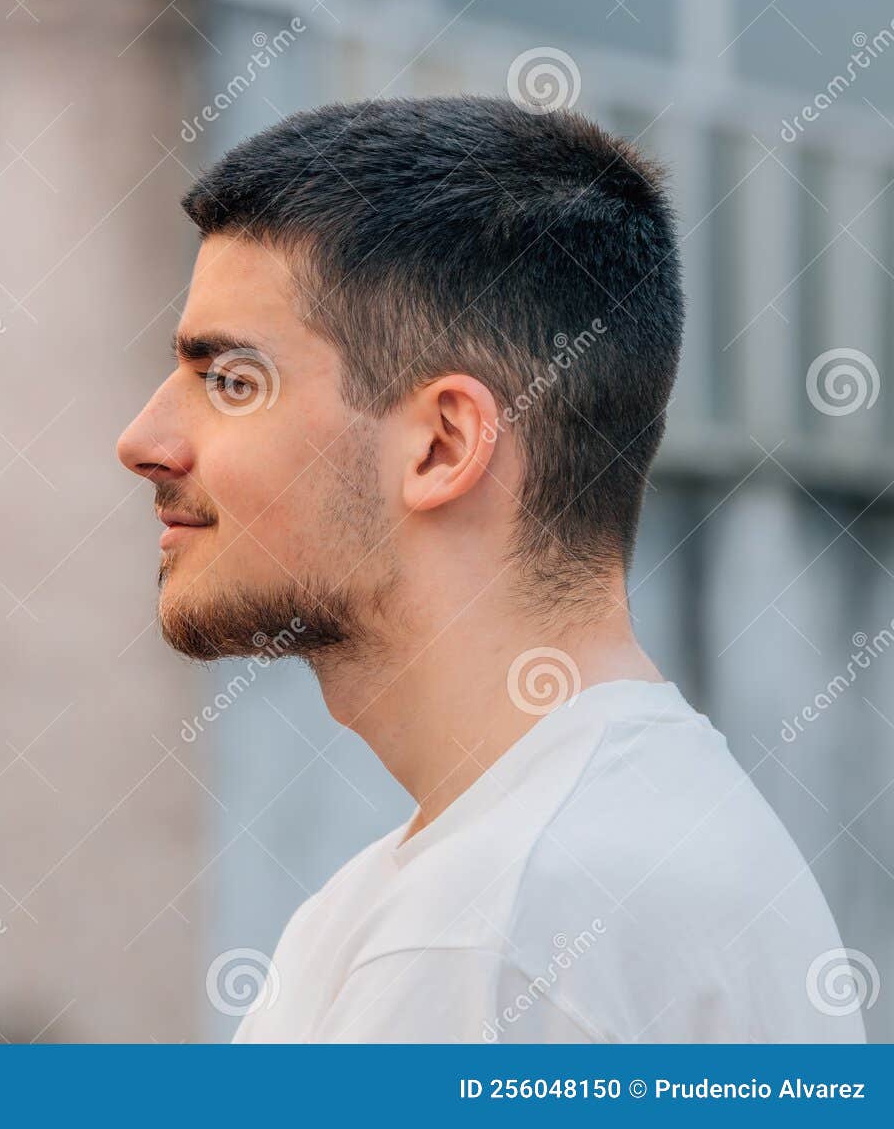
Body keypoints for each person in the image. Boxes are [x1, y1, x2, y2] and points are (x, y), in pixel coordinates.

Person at [115, 97, 865, 1043]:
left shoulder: (490, 937)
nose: (142, 441)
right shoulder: (628, 844)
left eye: (229, 379)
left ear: (441, 444)